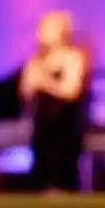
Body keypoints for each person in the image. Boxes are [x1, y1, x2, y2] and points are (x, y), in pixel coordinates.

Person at [20, 11, 89, 191]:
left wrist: (45, 82)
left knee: (63, 162)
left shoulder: (73, 57)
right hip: (42, 125)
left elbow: (71, 91)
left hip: (65, 122)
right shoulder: (36, 61)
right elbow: (26, 94)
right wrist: (31, 81)